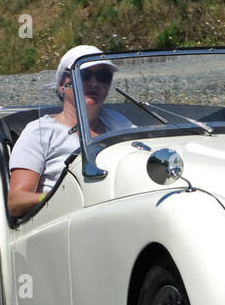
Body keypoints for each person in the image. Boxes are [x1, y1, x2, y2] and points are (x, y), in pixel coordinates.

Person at [8, 44, 134, 217]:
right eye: (84, 75)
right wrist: (59, 198)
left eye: (103, 77)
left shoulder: (118, 122)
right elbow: (16, 201)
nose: (94, 83)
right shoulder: (40, 131)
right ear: (62, 85)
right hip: (61, 220)